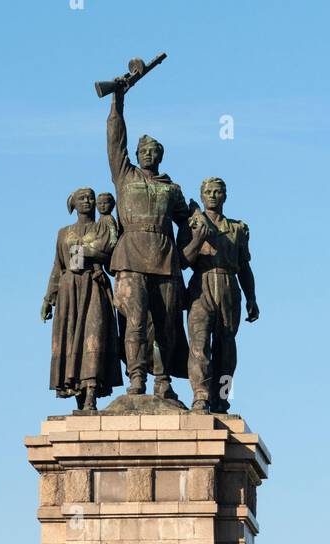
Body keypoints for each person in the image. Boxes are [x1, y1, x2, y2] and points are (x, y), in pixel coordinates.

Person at [106, 81, 190, 399]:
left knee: (166, 323)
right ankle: (137, 377)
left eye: (153, 151)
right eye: (143, 151)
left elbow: (190, 224)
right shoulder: (125, 175)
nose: (148, 154)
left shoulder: (173, 189)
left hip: (165, 259)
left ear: (161, 155)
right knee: (136, 320)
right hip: (131, 257)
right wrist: (118, 102)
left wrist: (185, 252)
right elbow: (115, 141)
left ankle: (163, 378)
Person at [40, 187, 123, 413]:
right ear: (73, 204)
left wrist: (88, 253)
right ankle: (78, 394)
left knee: (93, 337)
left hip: (93, 285)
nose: (87, 201)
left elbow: (111, 250)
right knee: (70, 341)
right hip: (68, 291)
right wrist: (49, 297)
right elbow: (58, 266)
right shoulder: (63, 232)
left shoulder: (103, 225)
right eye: (82, 198)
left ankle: (91, 396)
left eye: (90, 198)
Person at [183, 177, 259, 414]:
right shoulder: (192, 224)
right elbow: (183, 261)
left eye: (218, 192)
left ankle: (222, 400)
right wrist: (198, 239)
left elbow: (245, 267)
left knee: (226, 349)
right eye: (208, 192)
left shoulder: (237, 229)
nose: (213, 195)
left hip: (229, 286)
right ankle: (200, 397)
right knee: (199, 343)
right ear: (202, 196)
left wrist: (251, 298)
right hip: (201, 285)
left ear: (225, 196)